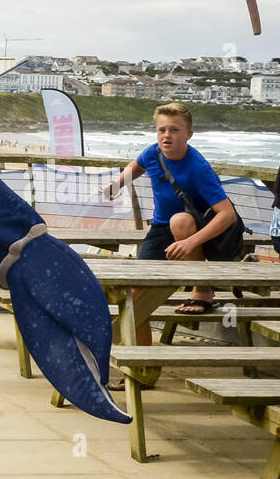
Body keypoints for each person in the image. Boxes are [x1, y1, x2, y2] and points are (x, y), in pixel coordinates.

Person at [104, 101, 244, 344]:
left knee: (179, 221)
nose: (167, 135)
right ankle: (142, 367)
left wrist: (191, 242)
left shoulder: (198, 167)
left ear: (189, 134)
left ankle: (201, 288)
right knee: (134, 295)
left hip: (198, 234)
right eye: (162, 130)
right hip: (160, 229)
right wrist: (118, 183)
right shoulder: (153, 152)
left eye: (174, 130)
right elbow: (136, 166)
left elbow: (227, 214)